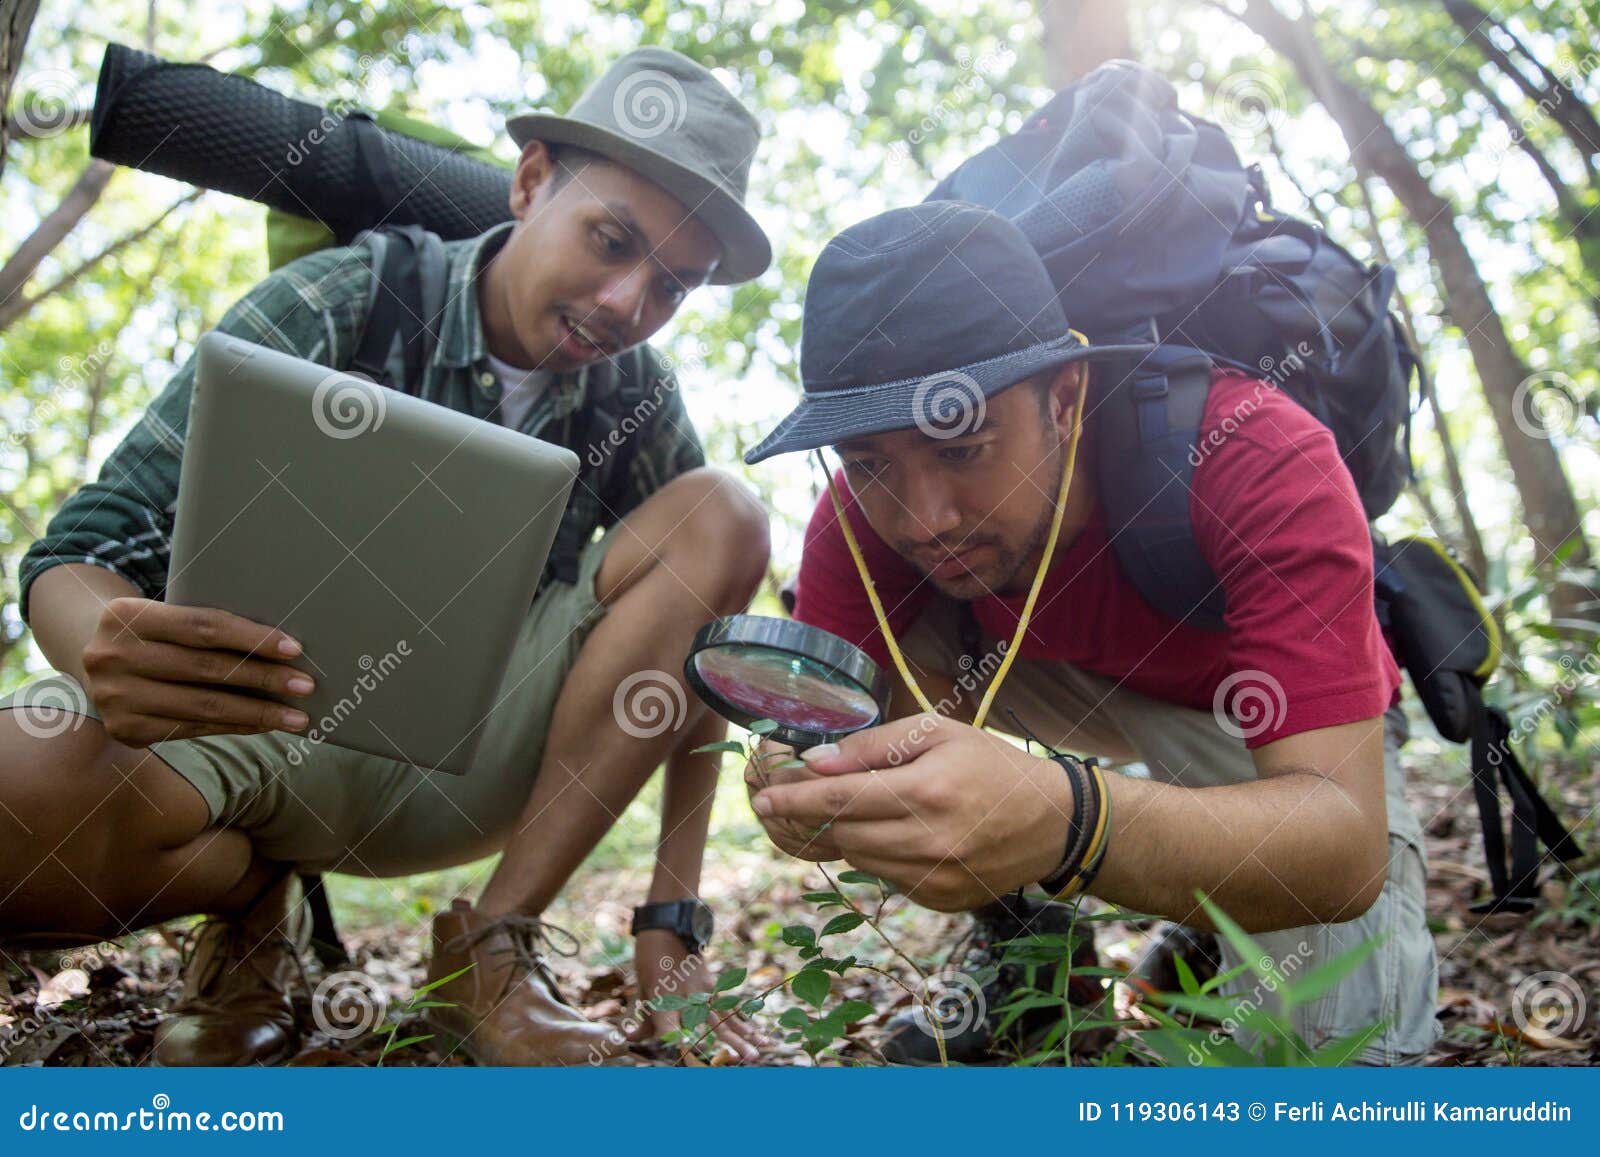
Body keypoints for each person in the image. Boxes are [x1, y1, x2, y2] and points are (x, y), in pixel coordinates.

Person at [0, 47, 773, 1067]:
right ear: (532, 180)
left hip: (466, 764)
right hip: (242, 721)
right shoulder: (337, 301)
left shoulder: (634, 396)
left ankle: (493, 949)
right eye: (611, 239)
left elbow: (699, 639)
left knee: (726, 508)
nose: (630, 302)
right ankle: (245, 907)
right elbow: (85, 543)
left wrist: (669, 920)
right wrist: (105, 637)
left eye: (673, 284)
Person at [741, 200, 1442, 1066]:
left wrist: (1070, 823)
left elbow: (1340, 847)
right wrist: (798, 778)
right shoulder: (859, 517)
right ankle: (1030, 946)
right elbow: (814, 720)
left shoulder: (1253, 451)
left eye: (962, 448)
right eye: (873, 463)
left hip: (1259, 721)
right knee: (866, 692)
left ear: (1065, 397)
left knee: (1321, 1058)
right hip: (1060, 683)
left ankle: (1197, 921)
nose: (925, 519)